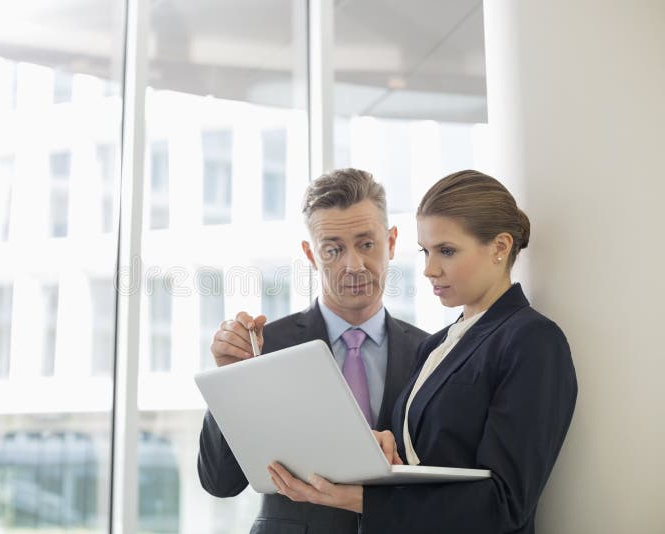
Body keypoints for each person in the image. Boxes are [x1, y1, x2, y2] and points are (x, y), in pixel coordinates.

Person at [267, 169, 578, 533]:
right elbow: (431, 460)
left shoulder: (532, 340)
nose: (429, 270)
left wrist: (360, 498)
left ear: (500, 247)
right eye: (425, 251)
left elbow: (504, 504)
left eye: (446, 251)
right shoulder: (436, 344)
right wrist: (387, 444)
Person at [197, 168, 428, 534]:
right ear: (310, 253)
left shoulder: (430, 352)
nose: (353, 265)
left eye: (366, 244)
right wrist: (229, 381)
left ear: (392, 242)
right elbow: (220, 482)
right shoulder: (265, 347)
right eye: (333, 249)